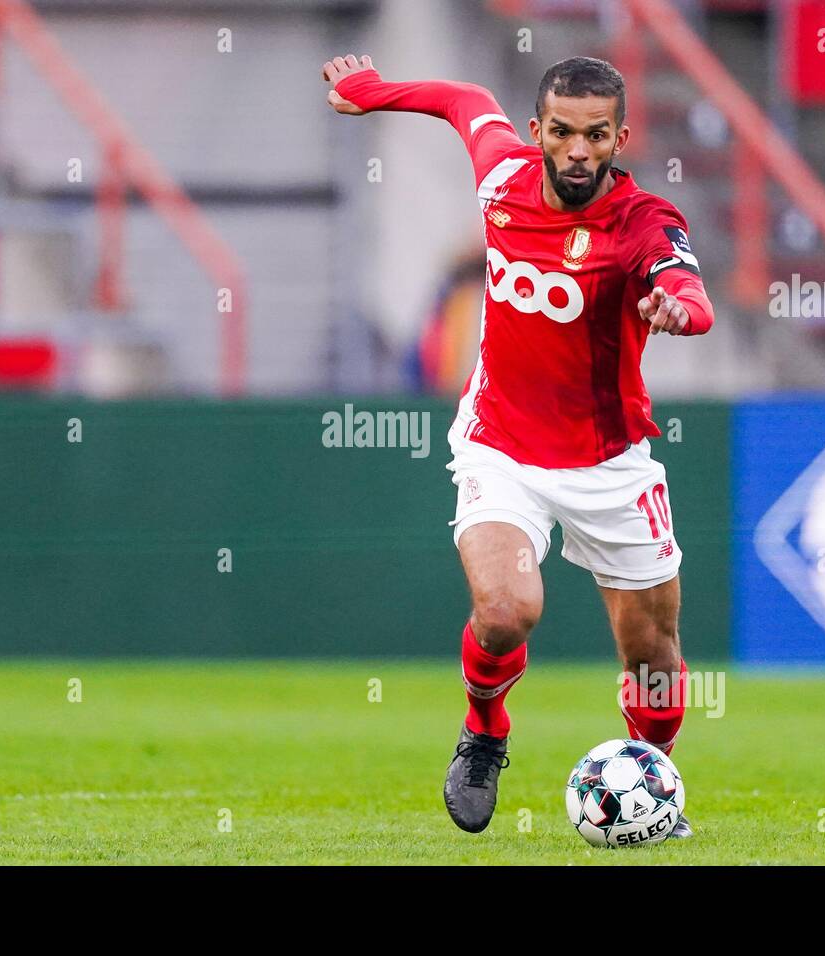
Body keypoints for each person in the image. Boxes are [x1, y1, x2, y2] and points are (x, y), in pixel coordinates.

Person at [323, 53, 714, 836]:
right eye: (562, 132)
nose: (578, 151)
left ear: (620, 137)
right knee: (506, 611)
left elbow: (686, 285)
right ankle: (485, 731)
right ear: (536, 132)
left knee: (657, 662)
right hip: (500, 444)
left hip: (609, 461)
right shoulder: (501, 176)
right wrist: (373, 92)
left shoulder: (643, 222)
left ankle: (653, 782)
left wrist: (679, 306)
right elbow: (464, 97)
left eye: (596, 136)